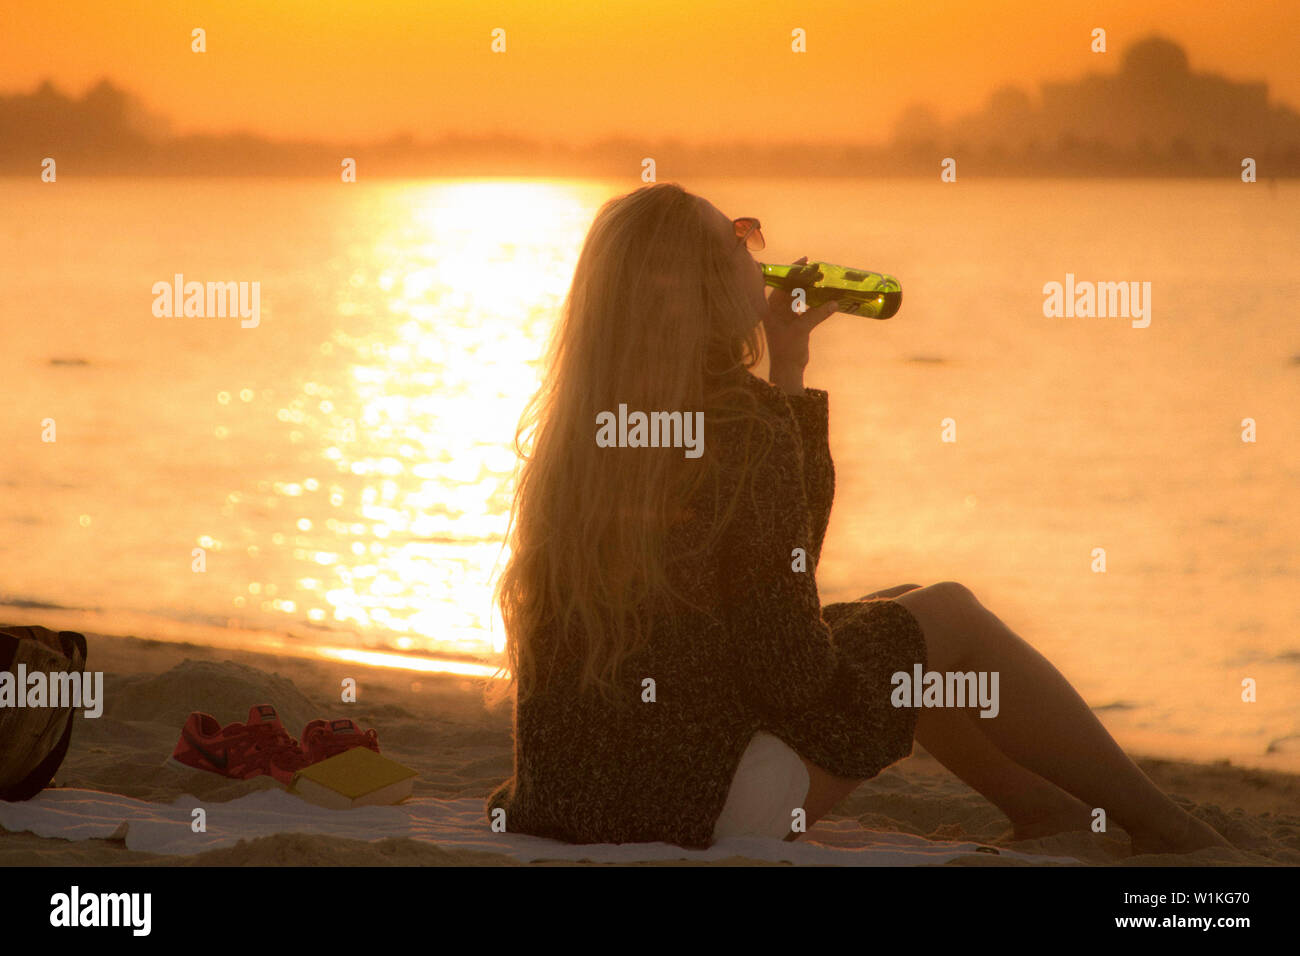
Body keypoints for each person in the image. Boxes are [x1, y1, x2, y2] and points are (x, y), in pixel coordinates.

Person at [484, 182, 1230, 855]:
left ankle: (1043, 812)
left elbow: (778, 567)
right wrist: (879, 677)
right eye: (740, 237)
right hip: (696, 805)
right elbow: (788, 667)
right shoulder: (736, 425)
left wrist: (790, 364)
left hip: (570, 800)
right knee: (949, 616)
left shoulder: (581, 436)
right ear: (706, 285)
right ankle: (1169, 829)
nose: (758, 250)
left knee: (901, 610)